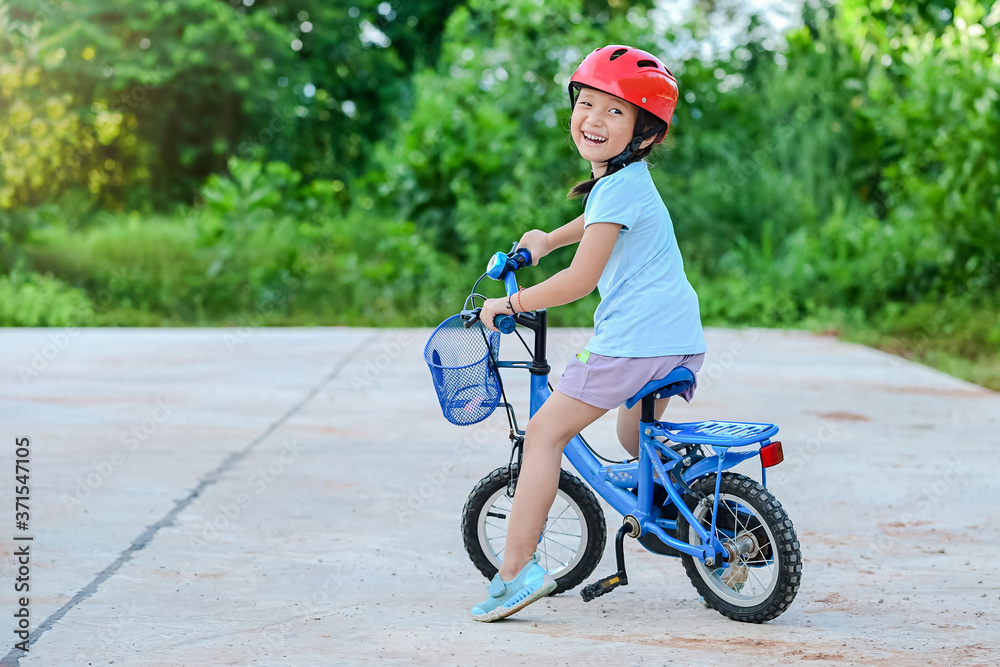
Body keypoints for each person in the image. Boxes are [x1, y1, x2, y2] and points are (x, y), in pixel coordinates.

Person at [471, 45, 707, 622]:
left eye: (614, 112)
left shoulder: (619, 187)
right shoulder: (625, 183)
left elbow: (581, 281)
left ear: (645, 133)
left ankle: (517, 572)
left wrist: (512, 302)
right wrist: (546, 240)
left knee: (545, 437)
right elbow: (596, 222)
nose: (594, 121)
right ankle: (693, 503)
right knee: (635, 437)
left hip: (631, 343)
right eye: (587, 103)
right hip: (676, 338)